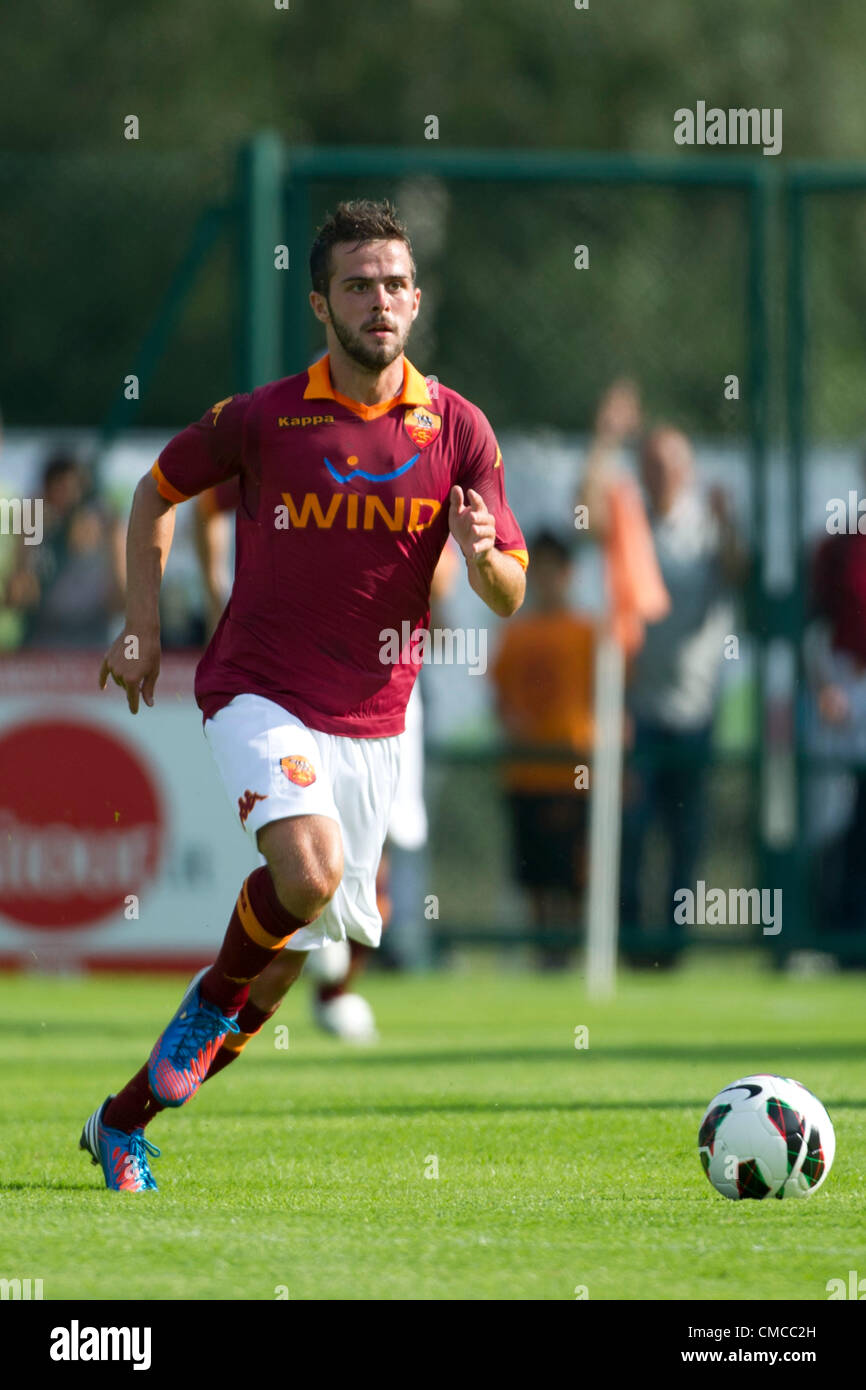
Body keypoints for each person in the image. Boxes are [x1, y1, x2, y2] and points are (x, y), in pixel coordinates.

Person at [82, 199, 528, 1190]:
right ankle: (203, 1006)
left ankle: (122, 1121)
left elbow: (510, 586)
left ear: (416, 298)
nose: (381, 301)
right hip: (258, 689)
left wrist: (482, 553)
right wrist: (143, 626)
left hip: (375, 725)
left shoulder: (458, 429)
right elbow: (156, 489)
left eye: (396, 284)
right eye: (359, 285)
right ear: (319, 303)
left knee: (282, 962)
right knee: (310, 871)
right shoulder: (265, 415)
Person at [582, 382, 747, 965]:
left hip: (694, 712)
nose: (660, 474)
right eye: (649, 463)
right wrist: (606, 438)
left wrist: (730, 529)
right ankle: (630, 947)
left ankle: (671, 953)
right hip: (635, 711)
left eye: (669, 464)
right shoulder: (630, 521)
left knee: (686, 841)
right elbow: (590, 510)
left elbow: (737, 574)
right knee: (629, 832)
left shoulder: (708, 525)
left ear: (689, 469)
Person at [489, 530, 595, 968]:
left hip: (574, 770)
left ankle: (569, 948)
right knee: (533, 870)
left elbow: (605, 695)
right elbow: (501, 697)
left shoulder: (588, 632)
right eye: (542, 570)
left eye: (556, 569)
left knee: (573, 871)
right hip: (527, 771)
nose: (550, 579)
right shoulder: (517, 633)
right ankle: (543, 950)